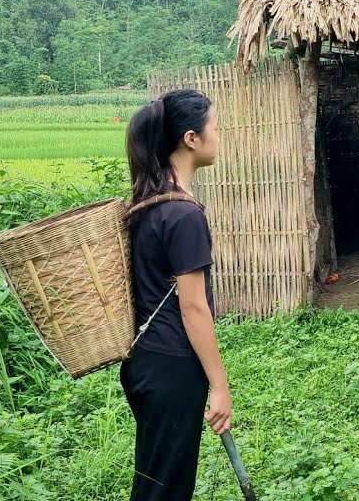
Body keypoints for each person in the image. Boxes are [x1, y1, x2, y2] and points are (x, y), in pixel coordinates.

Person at [121, 88, 230, 501]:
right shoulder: (183, 214)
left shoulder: (146, 202)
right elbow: (193, 307)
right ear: (191, 138)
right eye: (215, 128)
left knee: (157, 482)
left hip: (145, 363)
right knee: (165, 491)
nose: (218, 136)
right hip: (173, 367)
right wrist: (219, 385)